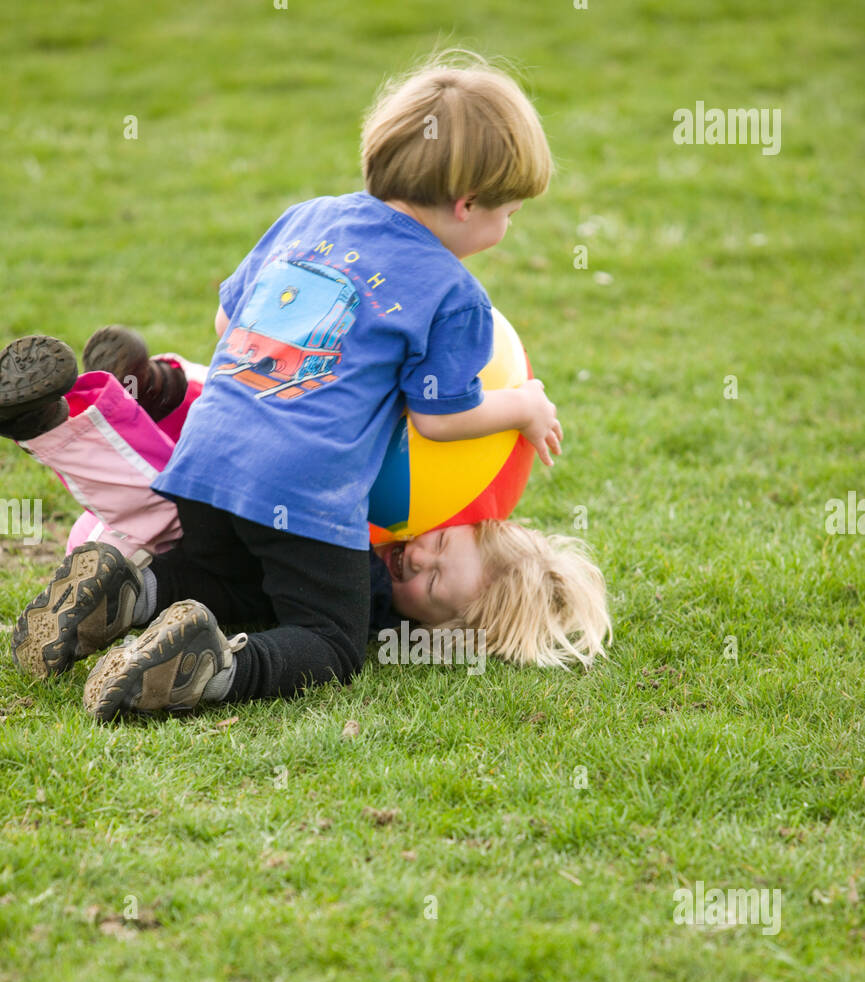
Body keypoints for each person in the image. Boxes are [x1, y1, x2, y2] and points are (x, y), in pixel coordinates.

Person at [3, 52, 607, 717]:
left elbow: (225, 319)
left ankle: (124, 594)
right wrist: (523, 405)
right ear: (466, 205)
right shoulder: (453, 294)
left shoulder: (307, 218)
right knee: (332, 640)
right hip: (303, 482)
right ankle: (213, 669)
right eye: (510, 213)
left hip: (207, 455)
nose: (506, 228)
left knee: (226, 582)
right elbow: (436, 419)